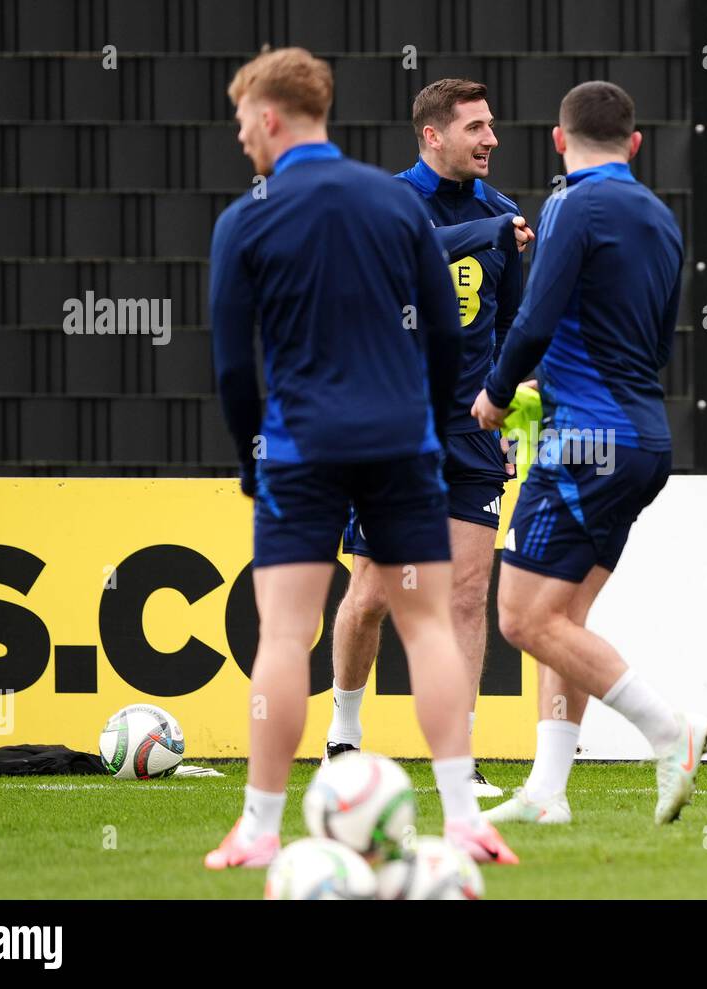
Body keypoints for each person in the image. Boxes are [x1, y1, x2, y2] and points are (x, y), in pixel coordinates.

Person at [205, 47, 516, 867]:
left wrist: (251, 456)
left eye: (242, 122)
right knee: (432, 625)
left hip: (302, 447)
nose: (242, 139)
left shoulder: (247, 217)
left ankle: (261, 827)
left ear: (270, 118)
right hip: (405, 441)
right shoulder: (393, 205)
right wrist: (427, 418)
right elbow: (449, 338)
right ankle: (462, 818)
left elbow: (236, 366)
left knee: (285, 632)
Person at [471, 81, 707, 826]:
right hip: (644, 438)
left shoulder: (570, 204)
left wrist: (495, 391)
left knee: (520, 618)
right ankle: (548, 790)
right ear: (635, 145)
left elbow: (535, 318)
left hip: (586, 438)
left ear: (557, 139)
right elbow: (654, 335)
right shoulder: (660, 215)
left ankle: (669, 732)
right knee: (564, 614)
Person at [327, 80, 533, 802]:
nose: (491, 140)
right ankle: (343, 738)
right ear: (432, 136)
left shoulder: (501, 214)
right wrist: (486, 236)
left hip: (469, 426)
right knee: (376, 589)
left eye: (492, 125)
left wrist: (506, 397)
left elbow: (510, 323)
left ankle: (457, 754)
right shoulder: (384, 204)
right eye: (476, 127)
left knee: (469, 594)